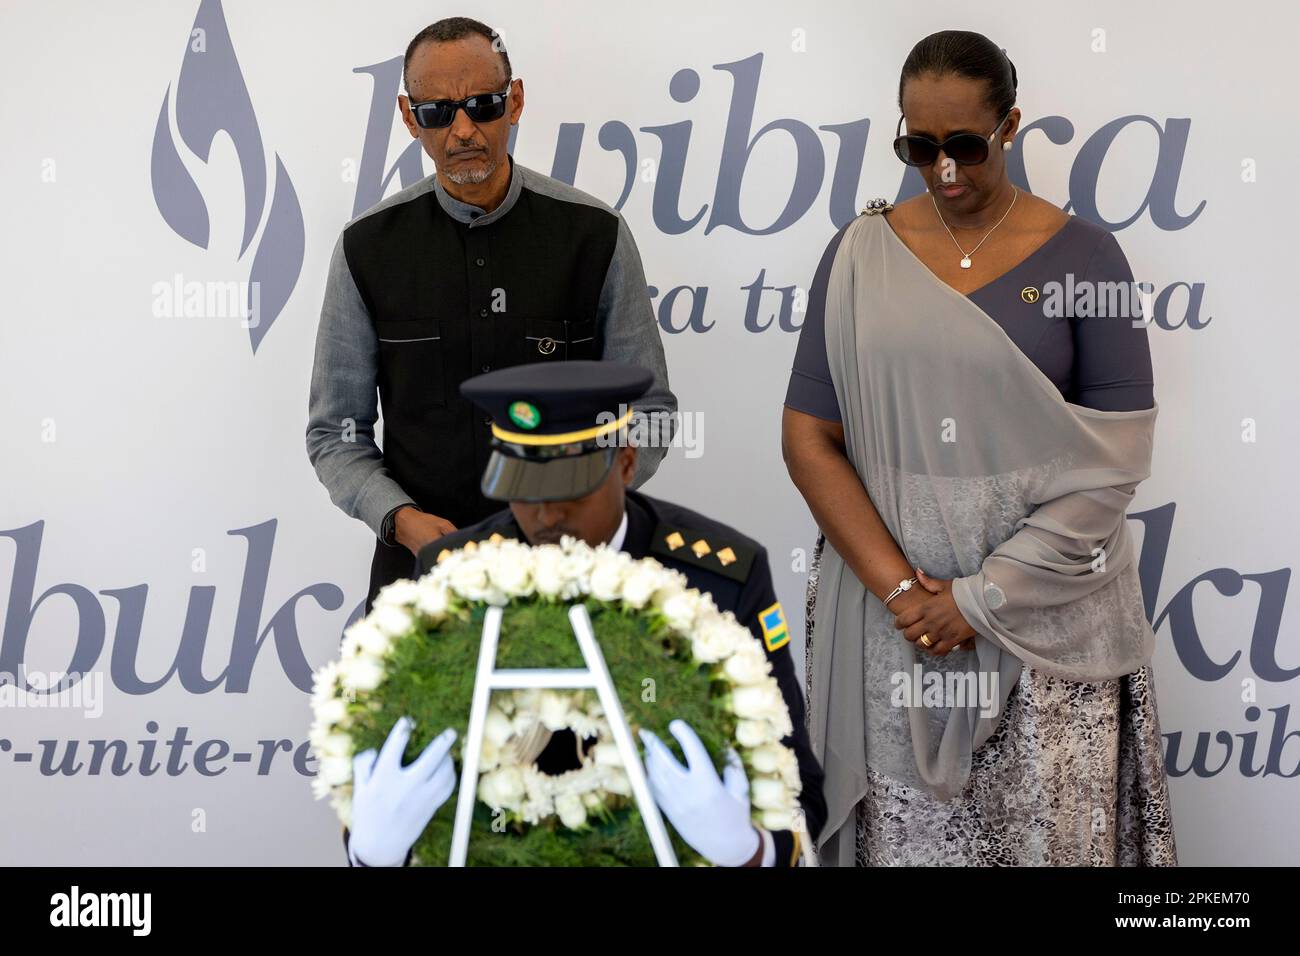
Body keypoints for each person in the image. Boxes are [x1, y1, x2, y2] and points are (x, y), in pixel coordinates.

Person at [781, 30, 1177, 866]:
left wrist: (980, 599)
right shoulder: (859, 256)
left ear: (1011, 126)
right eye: (918, 147)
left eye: (965, 145)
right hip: (898, 626)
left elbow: (1117, 462)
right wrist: (908, 597)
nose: (945, 171)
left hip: (1050, 631)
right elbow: (809, 437)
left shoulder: (1087, 257)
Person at [344, 360, 826, 867]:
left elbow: (798, 787)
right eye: (524, 490)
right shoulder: (456, 578)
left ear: (625, 461)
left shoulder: (719, 578)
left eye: (569, 489)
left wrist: (749, 850)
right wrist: (376, 851)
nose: (545, 515)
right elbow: (395, 780)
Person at [306, 17, 676, 614]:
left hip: (572, 582)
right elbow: (334, 434)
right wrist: (402, 522)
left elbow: (651, 412)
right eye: (437, 112)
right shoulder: (366, 249)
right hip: (419, 585)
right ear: (407, 116)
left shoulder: (595, 236)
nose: (463, 131)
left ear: (517, 100)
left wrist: (582, 505)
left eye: (483, 105)